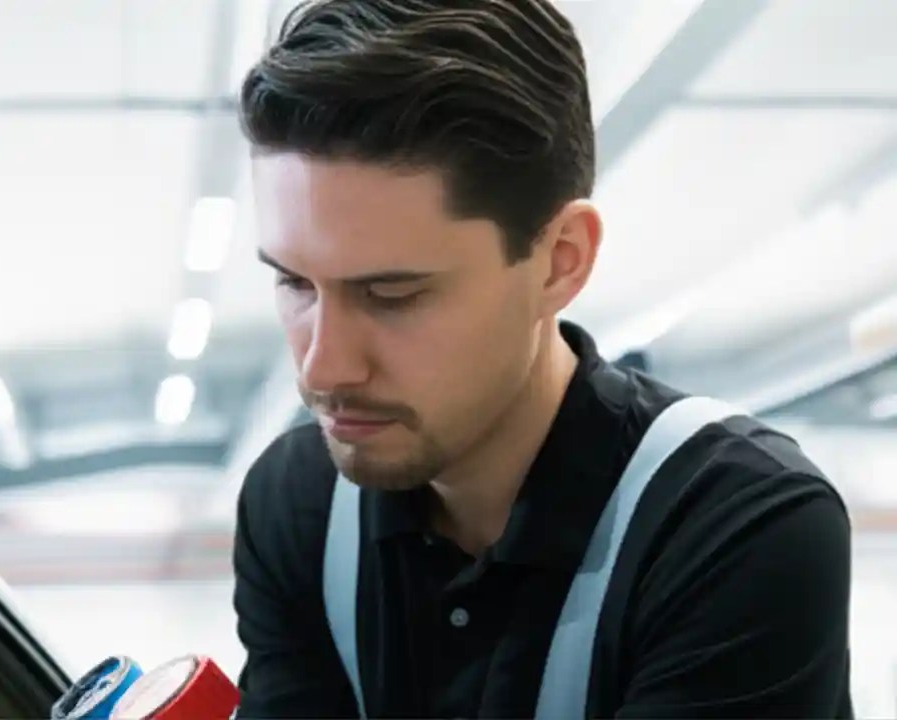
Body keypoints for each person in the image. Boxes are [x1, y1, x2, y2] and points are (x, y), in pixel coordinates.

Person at [229, 0, 853, 717]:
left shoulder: (738, 530)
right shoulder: (296, 507)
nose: (322, 370)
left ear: (560, 261)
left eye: (392, 293)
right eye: (293, 282)